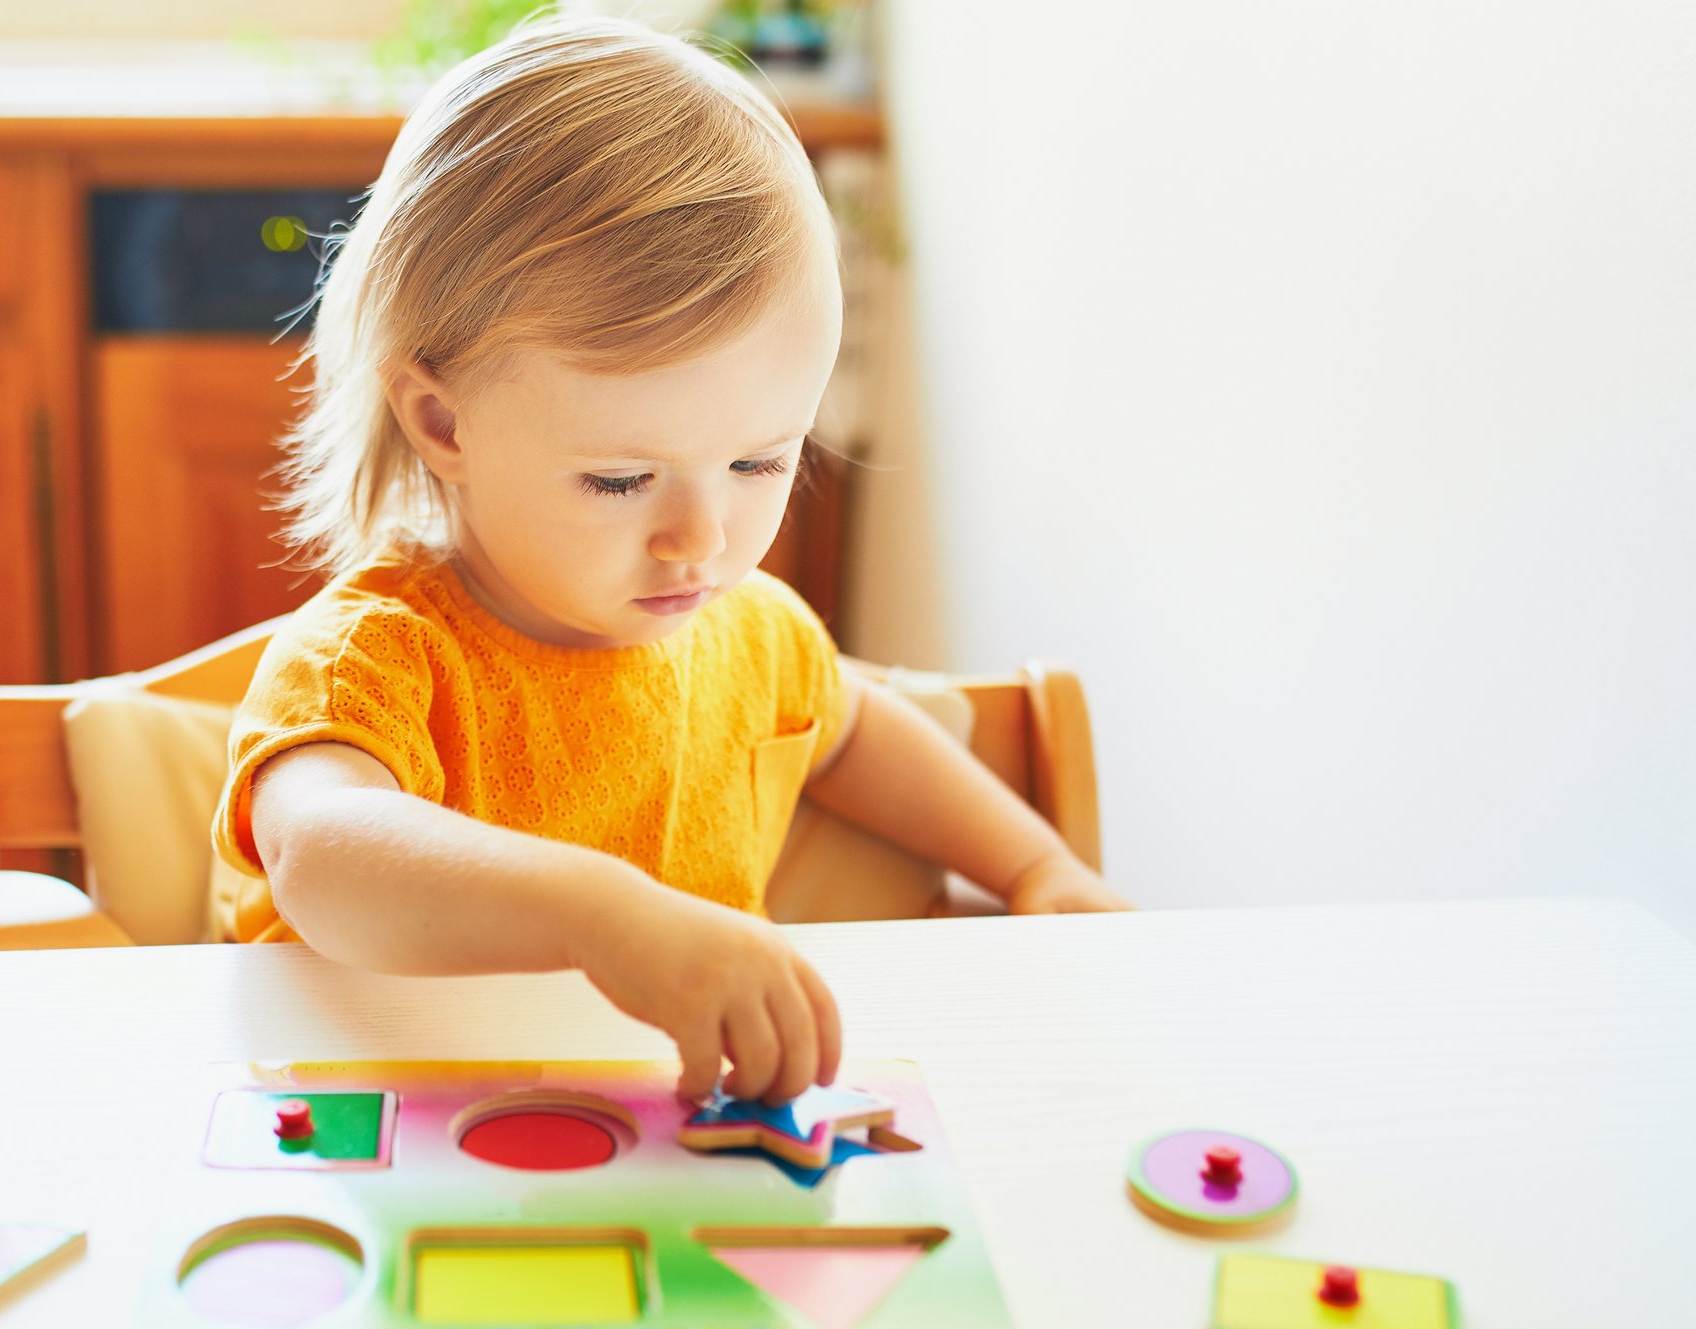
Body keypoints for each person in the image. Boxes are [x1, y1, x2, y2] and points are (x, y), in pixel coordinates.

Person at [214, 14, 1125, 1110]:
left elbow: (852, 728)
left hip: (656, 1128)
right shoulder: (374, 663)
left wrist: (1033, 867)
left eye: (757, 460)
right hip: (379, 1129)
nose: (700, 540)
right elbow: (323, 857)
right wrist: (601, 916)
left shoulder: (747, 633)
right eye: (619, 479)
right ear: (443, 420)